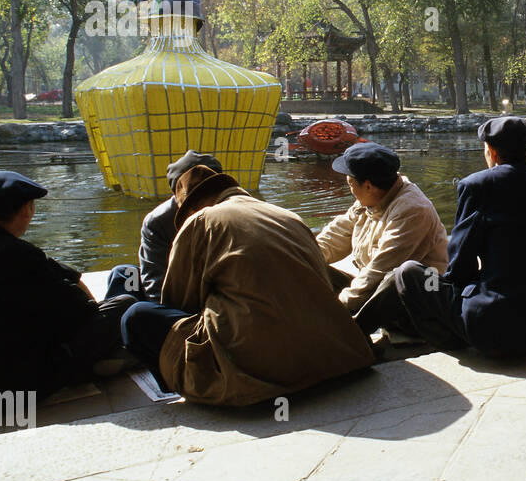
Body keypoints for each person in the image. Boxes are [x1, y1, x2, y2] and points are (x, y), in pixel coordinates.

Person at [120, 165, 373, 406]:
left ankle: (181, 384)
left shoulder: (200, 220)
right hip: (338, 356)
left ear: (193, 206)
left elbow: (178, 302)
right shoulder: (286, 214)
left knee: (135, 316)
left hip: (265, 369)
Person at [352, 116, 526, 357]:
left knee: (407, 274)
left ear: (490, 150)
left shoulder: (477, 185)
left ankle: (351, 333)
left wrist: (447, 291)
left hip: (499, 328)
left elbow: (460, 262)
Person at [0, 171, 138, 404]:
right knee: (127, 304)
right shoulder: (16, 255)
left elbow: (61, 272)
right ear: (27, 209)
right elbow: (84, 314)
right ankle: (100, 362)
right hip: (0, 393)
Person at [315, 142, 448, 315]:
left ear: (368, 186)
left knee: (392, 278)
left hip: (420, 299)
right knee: (308, 263)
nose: (350, 190)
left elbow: (379, 272)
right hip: (376, 286)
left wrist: (337, 309)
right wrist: (303, 257)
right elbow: (336, 234)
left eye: (350, 184)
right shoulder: (371, 197)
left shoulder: (412, 210)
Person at [138, 150, 223, 300]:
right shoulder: (157, 221)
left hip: (217, 297)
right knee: (125, 274)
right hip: (178, 297)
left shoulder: (230, 213)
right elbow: (155, 284)